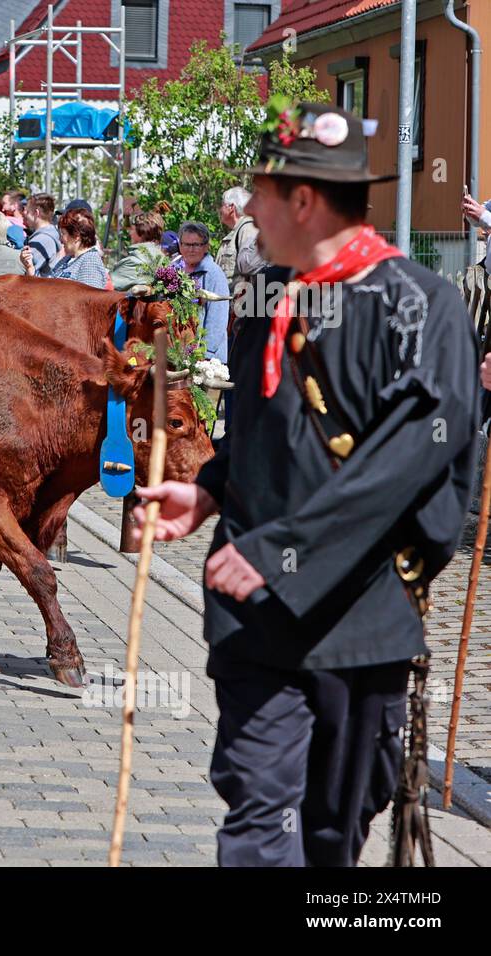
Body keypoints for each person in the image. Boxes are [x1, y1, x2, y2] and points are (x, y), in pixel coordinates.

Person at [134, 103, 479, 867]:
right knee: (259, 821)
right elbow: (268, 430)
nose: (248, 209)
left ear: (301, 200)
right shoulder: (268, 297)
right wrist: (212, 490)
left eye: (259, 191)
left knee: (333, 831)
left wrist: (285, 547)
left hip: (362, 617)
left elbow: (413, 459)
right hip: (255, 619)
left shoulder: (424, 306)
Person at [218, 186, 269, 344]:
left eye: (222, 204)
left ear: (231, 207)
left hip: (240, 312)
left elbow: (252, 267)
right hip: (232, 311)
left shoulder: (247, 228)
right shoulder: (239, 230)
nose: (219, 209)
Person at [174, 221, 230, 363]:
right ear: (180, 245)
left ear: (205, 246)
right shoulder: (172, 271)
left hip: (205, 358)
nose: (191, 249)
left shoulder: (214, 274)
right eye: (186, 244)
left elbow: (218, 318)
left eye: (196, 245)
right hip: (177, 352)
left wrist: (205, 353)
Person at [108, 204, 168, 290]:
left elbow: (105, 285)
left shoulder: (135, 261)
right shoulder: (161, 257)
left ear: (142, 233)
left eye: (132, 229)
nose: (130, 233)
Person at [48, 208, 109, 289]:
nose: (60, 239)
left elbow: (90, 299)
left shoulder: (90, 262)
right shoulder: (67, 259)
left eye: (63, 234)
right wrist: (30, 269)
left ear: (76, 236)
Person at [21, 193, 63, 278]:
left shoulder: (41, 240)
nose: (25, 214)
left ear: (36, 213)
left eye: (28, 211)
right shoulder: (53, 233)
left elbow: (31, 275)